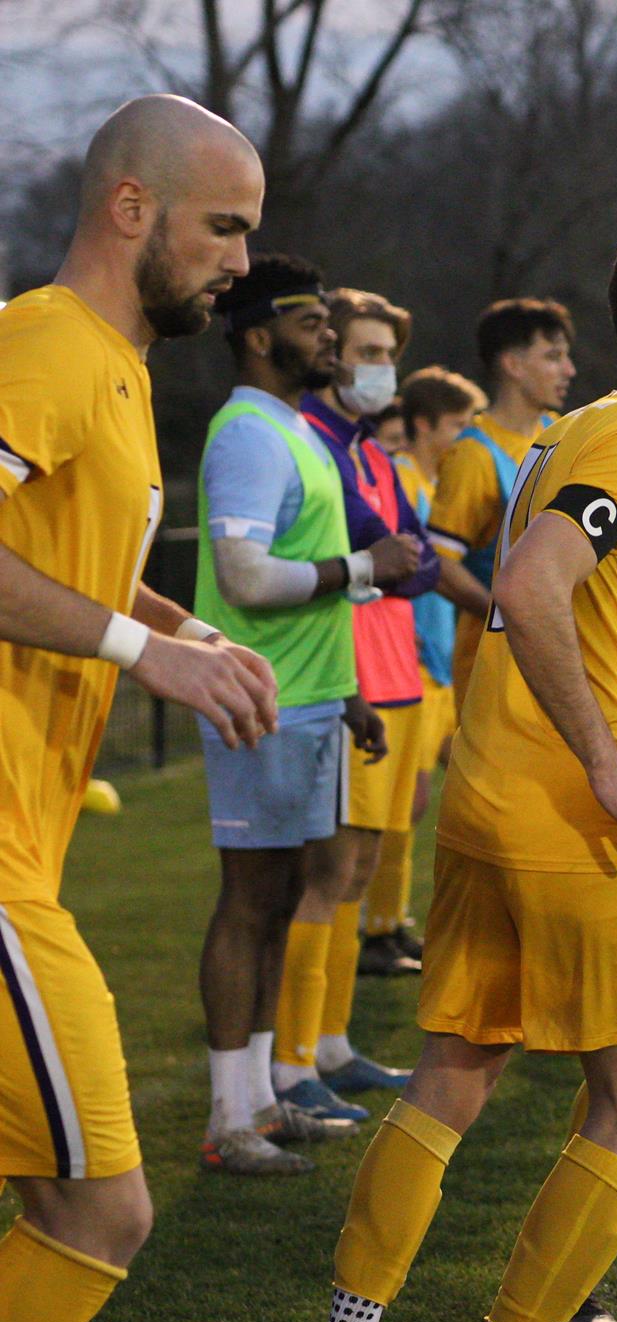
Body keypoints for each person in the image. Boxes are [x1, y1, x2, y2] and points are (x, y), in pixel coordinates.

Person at [325, 215, 617, 1322]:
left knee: (455, 1071)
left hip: (489, 788)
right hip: (577, 814)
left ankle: (353, 1317)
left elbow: (571, 601)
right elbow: (527, 588)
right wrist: (613, 763)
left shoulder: (575, 432)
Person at [0, 92, 278, 1322]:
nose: (242, 263)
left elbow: (59, 556)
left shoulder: (111, 368)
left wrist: (179, 629)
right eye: (223, 228)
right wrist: (137, 652)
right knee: (99, 1209)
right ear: (130, 207)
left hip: (29, 850)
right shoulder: (47, 343)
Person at [194, 254, 420, 1175]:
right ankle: (228, 1118)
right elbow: (246, 578)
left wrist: (350, 695)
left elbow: (300, 571)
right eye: (308, 321)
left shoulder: (286, 427)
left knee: (280, 900)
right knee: (250, 903)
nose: (326, 334)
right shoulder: (249, 432)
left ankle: (260, 1098)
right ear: (256, 337)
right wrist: (365, 570)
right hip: (260, 704)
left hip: (308, 702)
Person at [277, 290, 441, 1119]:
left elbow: (419, 561)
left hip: (391, 674)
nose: (379, 366)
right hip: (341, 674)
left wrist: (391, 557)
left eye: (388, 352)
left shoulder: (371, 447)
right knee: (325, 871)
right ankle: (290, 1059)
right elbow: (389, 552)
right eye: (366, 349)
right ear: (331, 350)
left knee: (359, 869)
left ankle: (330, 1043)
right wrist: (388, 557)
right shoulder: (311, 439)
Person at [362, 366, 488, 976]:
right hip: (409, 660)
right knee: (402, 801)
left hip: (438, 665)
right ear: (423, 426)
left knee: (423, 799)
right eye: (459, 424)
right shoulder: (403, 480)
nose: (467, 435)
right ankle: (376, 927)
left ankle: (391, 923)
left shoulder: (441, 483)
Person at [426, 298, 576, 712]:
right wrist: (509, 608)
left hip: (557, 655)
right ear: (512, 364)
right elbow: (440, 564)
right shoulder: (473, 455)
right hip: (492, 669)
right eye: (553, 357)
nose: (569, 370)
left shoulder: (560, 434)